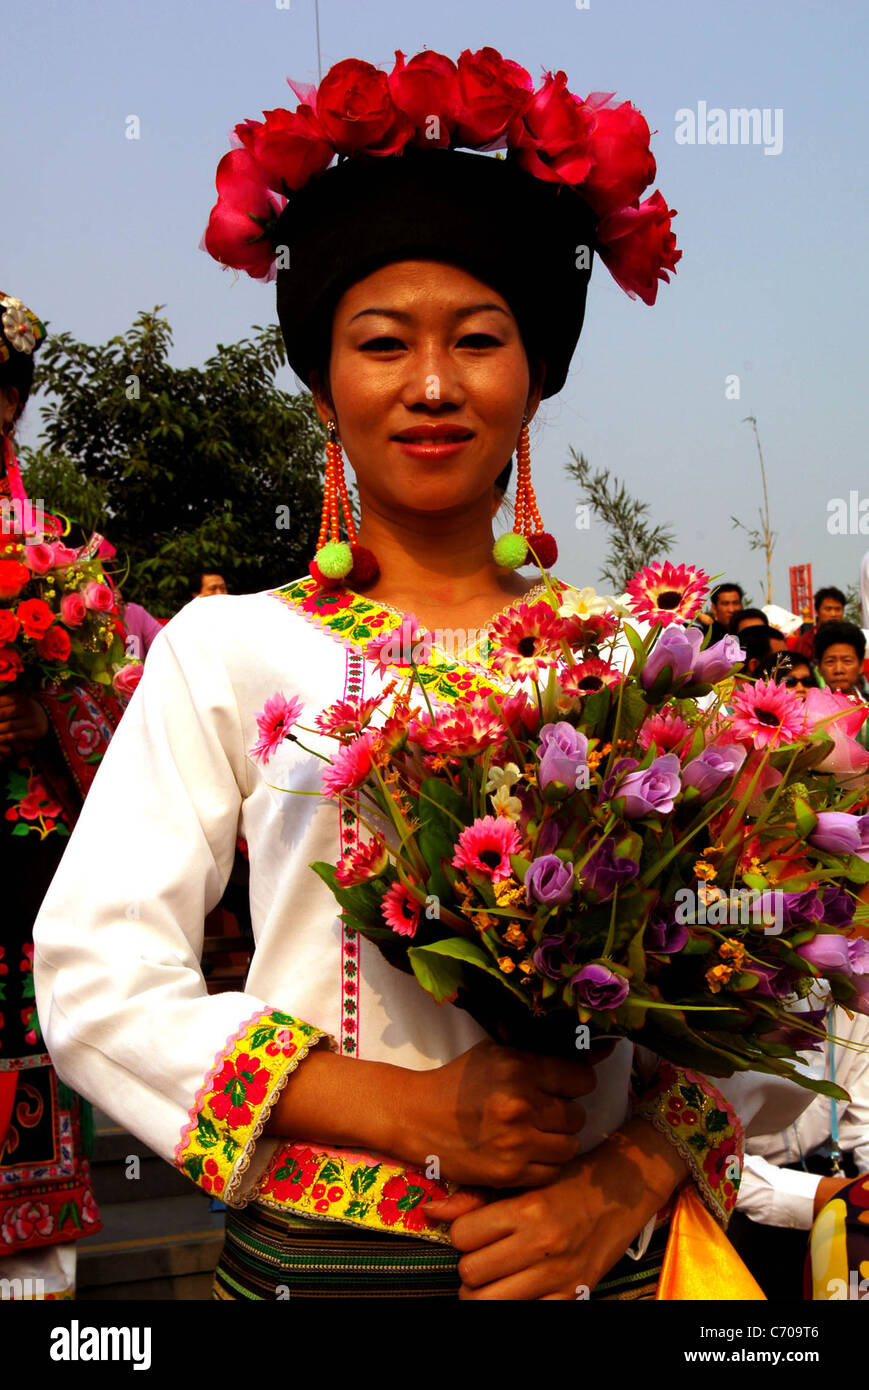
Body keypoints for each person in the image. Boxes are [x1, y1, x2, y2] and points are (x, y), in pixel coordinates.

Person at [32, 48, 807, 1302]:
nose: (433, 385)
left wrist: (624, 1180)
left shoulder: (634, 664)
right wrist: (410, 1109)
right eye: (384, 342)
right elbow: (94, 970)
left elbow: (767, 956)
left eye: (479, 340)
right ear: (326, 383)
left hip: (604, 1265)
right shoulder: (228, 652)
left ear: (533, 376)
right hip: (315, 1268)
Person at [0, 292, 126, 1299]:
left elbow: (109, 704)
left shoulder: (48, 555)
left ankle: (34, 1281)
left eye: (5, 392)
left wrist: (50, 718)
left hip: (22, 855)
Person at [730, 1004, 869, 1301]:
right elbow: (708, 1160)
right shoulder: (726, 1003)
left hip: (832, 1179)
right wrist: (838, 1196)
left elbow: (863, 1126)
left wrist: (863, 1193)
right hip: (736, 1200)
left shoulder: (855, 1003)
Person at [788, 586, 847, 660]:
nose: (833, 614)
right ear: (816, 611)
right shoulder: (806, 642)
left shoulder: (850, 637)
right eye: (828, 609)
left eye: (838, 609)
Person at [114, 587, 164, 661]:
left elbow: (162, 642)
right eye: (112, 606)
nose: (117, 609)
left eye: (120, 603)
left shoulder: (135, 612)